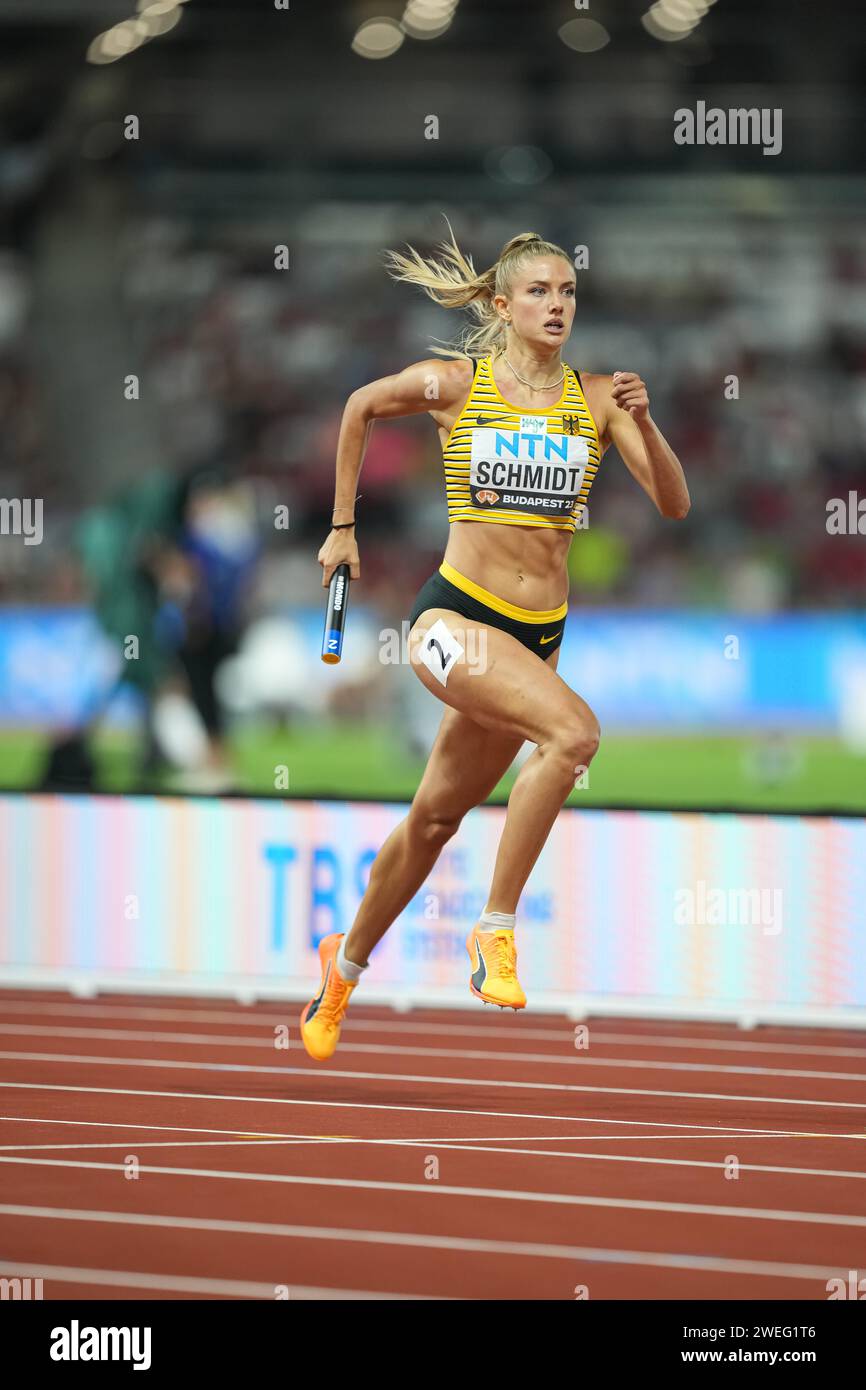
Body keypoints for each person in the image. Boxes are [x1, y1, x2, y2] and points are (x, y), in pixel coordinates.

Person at [301, 226, 690, 1061]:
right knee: (574, 734)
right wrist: (342, 529)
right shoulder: (457, 385)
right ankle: (495, 931)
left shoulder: (596, 399)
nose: (557, 305)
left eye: (568, 293)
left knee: (436, 817)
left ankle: (345, 966)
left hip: (534, 640)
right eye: (541, 292)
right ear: (503, 305)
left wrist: (646, 425)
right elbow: (360, 404)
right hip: (452, 623)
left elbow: (672, 504)